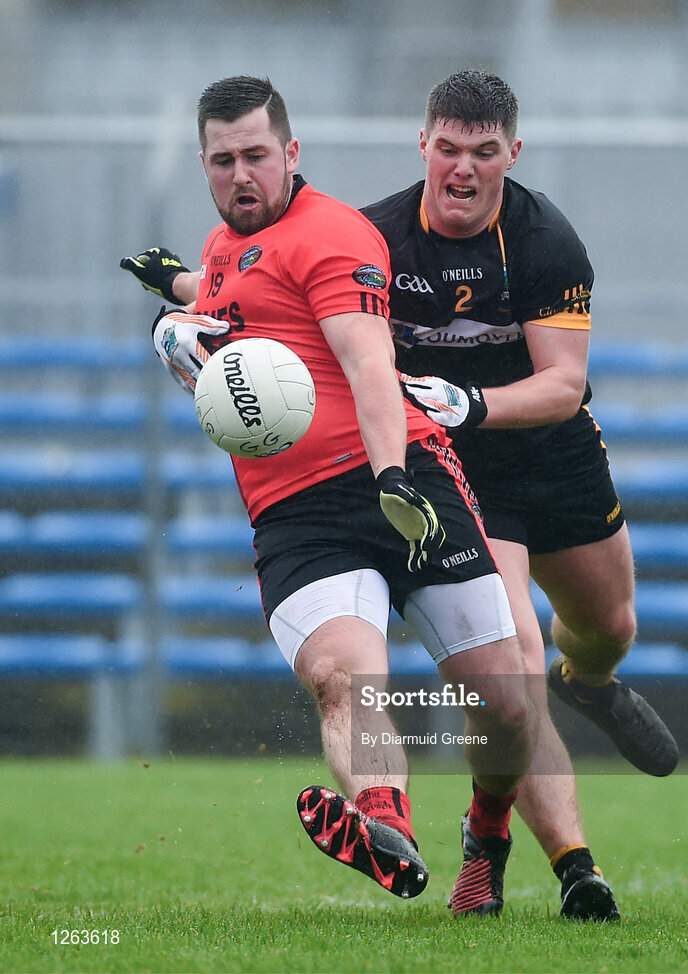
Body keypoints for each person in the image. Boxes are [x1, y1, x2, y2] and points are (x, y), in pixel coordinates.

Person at [122, 75, 539, 915]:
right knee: (345, 680)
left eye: (256, 157)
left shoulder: (334, 236)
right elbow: (231, 299)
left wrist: (391, 479)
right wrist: (174, 304)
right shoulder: (218, 247)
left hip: (402, 478)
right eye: (222, 160)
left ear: (291, 153)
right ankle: (383, 824)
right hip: (296, 511)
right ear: (204, 164)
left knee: (505, 700)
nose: (241, 175)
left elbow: (367, 367)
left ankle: (485, 830)